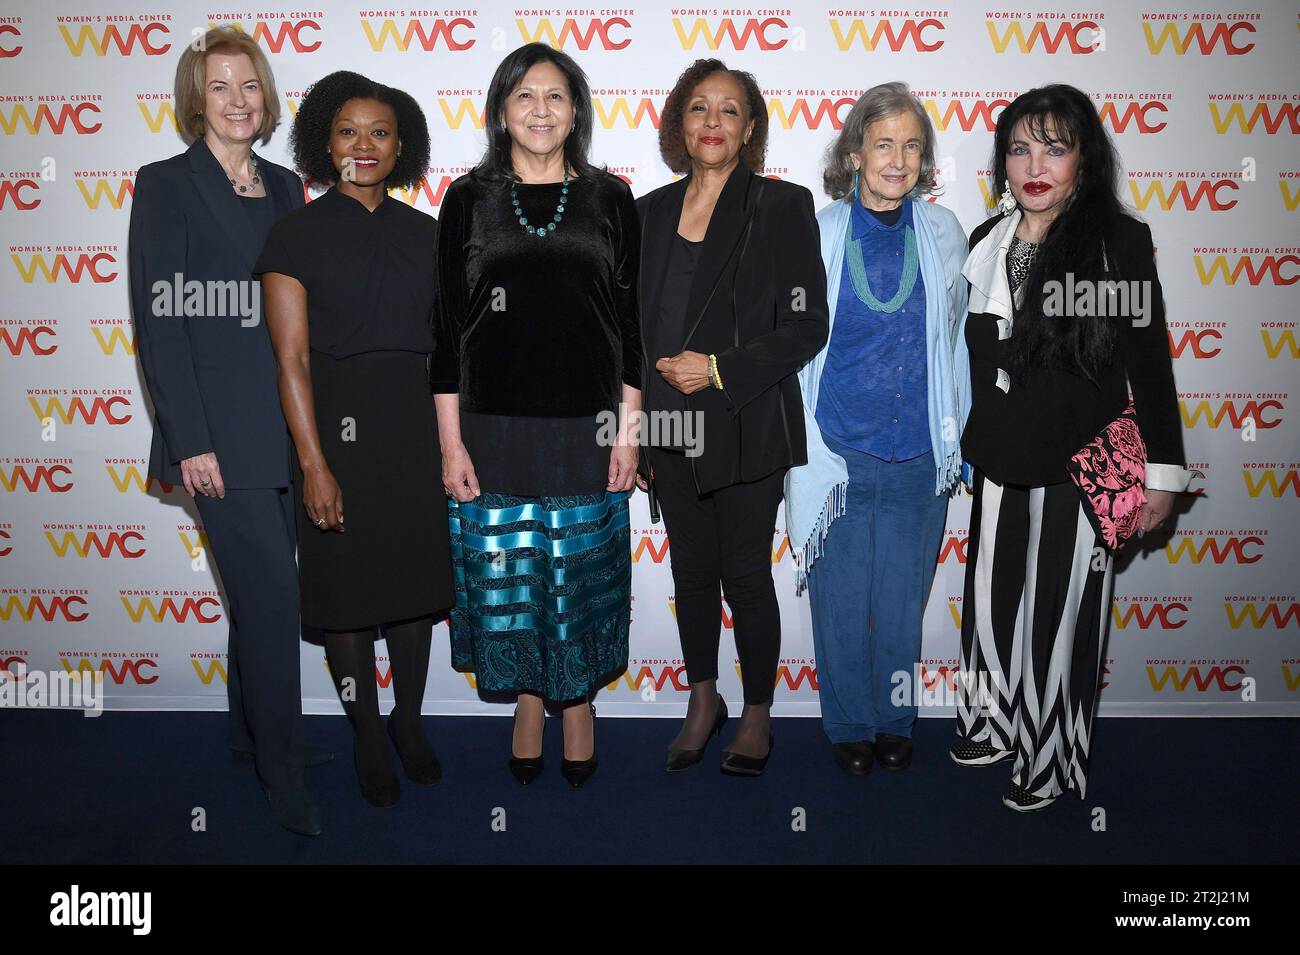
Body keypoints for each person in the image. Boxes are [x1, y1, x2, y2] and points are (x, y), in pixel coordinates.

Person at [953, 84, 1189, 811]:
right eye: (1021, 147)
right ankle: (990, 722)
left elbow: (1148, 359)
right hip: (997, 459)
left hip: (1078, 469)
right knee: (991, 605)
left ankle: (1050, 757)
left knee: (1059, 620)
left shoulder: (1116, 241)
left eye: (1055, 147)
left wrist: (1163, 474)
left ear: (1083, 160)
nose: (1035, 164)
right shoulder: (984, 242)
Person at [430, 43, 641, 789]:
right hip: (493, 428)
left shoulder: (612, 199)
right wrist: (451, 443)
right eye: (524, 97)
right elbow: (447, 330)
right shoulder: (467, 199)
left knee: (581, 572)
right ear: (501, 110)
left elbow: (631, 326)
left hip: (587, 426)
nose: (541, 111)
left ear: (577, 109)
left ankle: (577, 703)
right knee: (511, 573)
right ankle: (527, 699)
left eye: (555, 96)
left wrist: (630, 428)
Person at [128, 26, 322, 836]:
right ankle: (286, 771)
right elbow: (160, 322)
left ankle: (247, 733)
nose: (238, 100)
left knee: (258, 594)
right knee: (275, 602)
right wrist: (190, 437)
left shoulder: (285, 188)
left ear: (266, 97)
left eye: (249, 86)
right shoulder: (166, 184)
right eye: (220, 87)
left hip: (285, 428)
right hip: (218, 436)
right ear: (194, 100)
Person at [255, 71, 454, 809]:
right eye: (347, 131)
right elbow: (291, 360)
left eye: (379, 132)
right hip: (334, 435)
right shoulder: (293, 235)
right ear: (323, 143)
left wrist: (451, 445)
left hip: (412, 432)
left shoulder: (430, 234)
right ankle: (366, 729)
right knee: (344, 600)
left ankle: (406, 720)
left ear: (402, 144)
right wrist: (314, 463)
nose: (363, 146)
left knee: (410, 592)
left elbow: (453, 353)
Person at [637, 59, 829, 777]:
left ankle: (755, 712)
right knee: (691, 573)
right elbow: (632, 330)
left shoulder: (780, 206)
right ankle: (702, 699)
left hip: (746, 420)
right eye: (698, 108)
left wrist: (717, 368)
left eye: (729, 110)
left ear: (750, 129)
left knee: (746, 574)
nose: (712, 122)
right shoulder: (646, 211)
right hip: (666, 427)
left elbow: (808, 325)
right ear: (678, 124)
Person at [785, 82, 970, 777]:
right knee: (840, 601)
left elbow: (956, 344)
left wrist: (963, 436)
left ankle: (895, 718)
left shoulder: (945, 232)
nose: (897, 158)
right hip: (839, 452)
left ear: (925, 159)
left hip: (920, 453)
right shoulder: (822, 230)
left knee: (900, 605)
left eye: (911, 145)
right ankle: (848, 723)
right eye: (883, 142)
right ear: (855, 151)